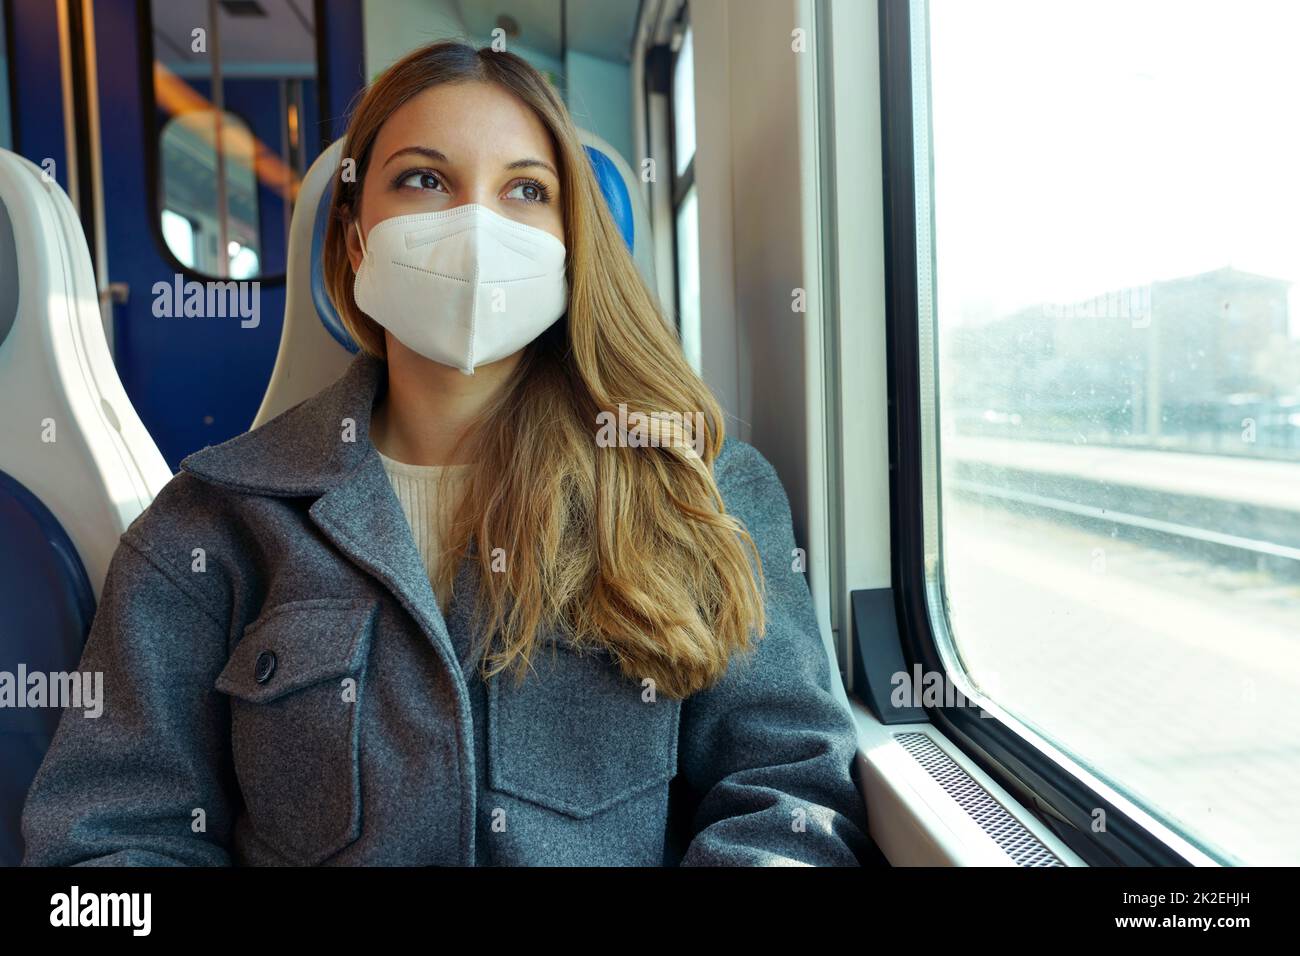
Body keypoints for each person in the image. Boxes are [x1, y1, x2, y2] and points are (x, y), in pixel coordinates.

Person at [21, 40, 870, 866]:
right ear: (356, 242)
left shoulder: (699, 490)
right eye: (425, 180)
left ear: (570, 247)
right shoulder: (211, 524)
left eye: (525, 191)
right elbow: (110, 837)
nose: (476, 226)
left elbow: (789, 799)